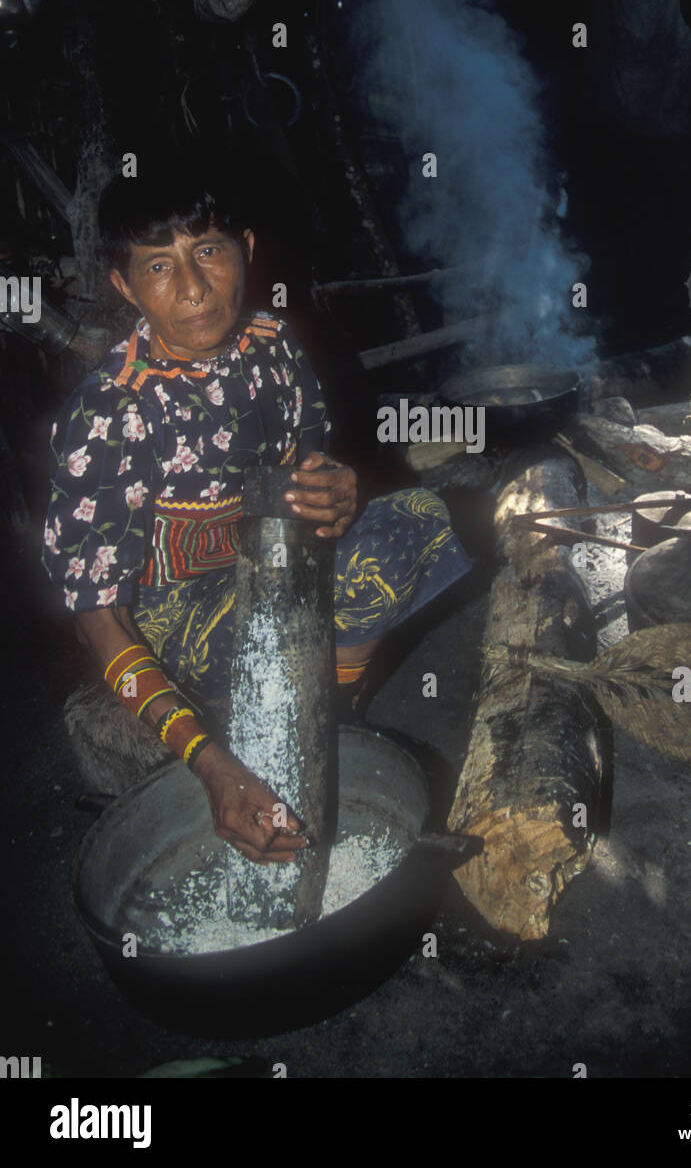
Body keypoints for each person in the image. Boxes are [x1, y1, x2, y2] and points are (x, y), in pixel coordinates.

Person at [42, 161, 471, 865]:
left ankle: (330, 719)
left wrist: (335, 500)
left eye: (207, 251)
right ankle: (271, 738)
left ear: (244, 247)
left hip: (273, 570)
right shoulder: (110, 411)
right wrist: (211, 764)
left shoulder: (273, 349)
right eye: (158, 266)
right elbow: (101, 620)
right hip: (178, 622)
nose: (192, 287)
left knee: (416, 518)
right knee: (253, 644)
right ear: (123, 286)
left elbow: (311, 497)